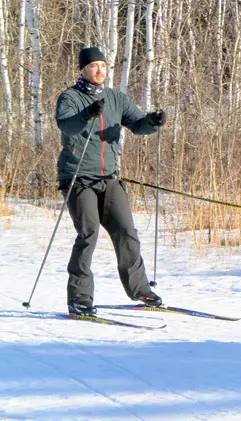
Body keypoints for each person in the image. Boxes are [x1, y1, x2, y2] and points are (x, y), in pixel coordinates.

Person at [55, 47, 165, 316]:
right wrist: (87, 114)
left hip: (109, 178)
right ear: (82, 69)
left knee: (127, 231)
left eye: (103, 65)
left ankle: (140, 289)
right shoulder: (70, 97)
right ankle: (80, 298)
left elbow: (137, 123)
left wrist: (152, 122)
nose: (99, 71)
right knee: (88, 234)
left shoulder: (115, 98)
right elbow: (66, 126)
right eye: (93, 66)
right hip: (79, 178)